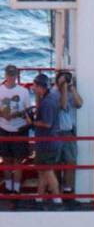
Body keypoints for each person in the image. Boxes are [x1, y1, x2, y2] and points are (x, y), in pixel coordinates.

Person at [0, 63, 32, 206]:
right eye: (9, 75)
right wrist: (3, 114)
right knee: (6, 160)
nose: (11, 78)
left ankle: (16, 189)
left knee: (18, 161)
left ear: (16, 76)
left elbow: (28, 111)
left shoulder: (24, 92)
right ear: (5, 75)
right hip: (3, 128)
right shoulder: (0, 90)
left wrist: (16, 114)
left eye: (13, 75)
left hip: (19, 129)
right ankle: (7, 187)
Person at [29, 74, 63, 208]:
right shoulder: (50, 98)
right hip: (49, 142)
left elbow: (47, 123)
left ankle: (57, 199)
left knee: (47, 170)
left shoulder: (48, 101)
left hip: (47, 143)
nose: (32, 88)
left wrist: (32, 122)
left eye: (35, 86)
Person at [53, 70, 83, 204]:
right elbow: (63, 105)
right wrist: (64, 88)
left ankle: (68, 190)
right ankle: (56, 191)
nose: (65, 81)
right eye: (63, 79)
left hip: (69, 132)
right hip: (57, 133)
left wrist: (72, 89)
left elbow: (80, 103)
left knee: (70, 162)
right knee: (57, 163)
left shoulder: (71, 92)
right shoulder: (53, 94)